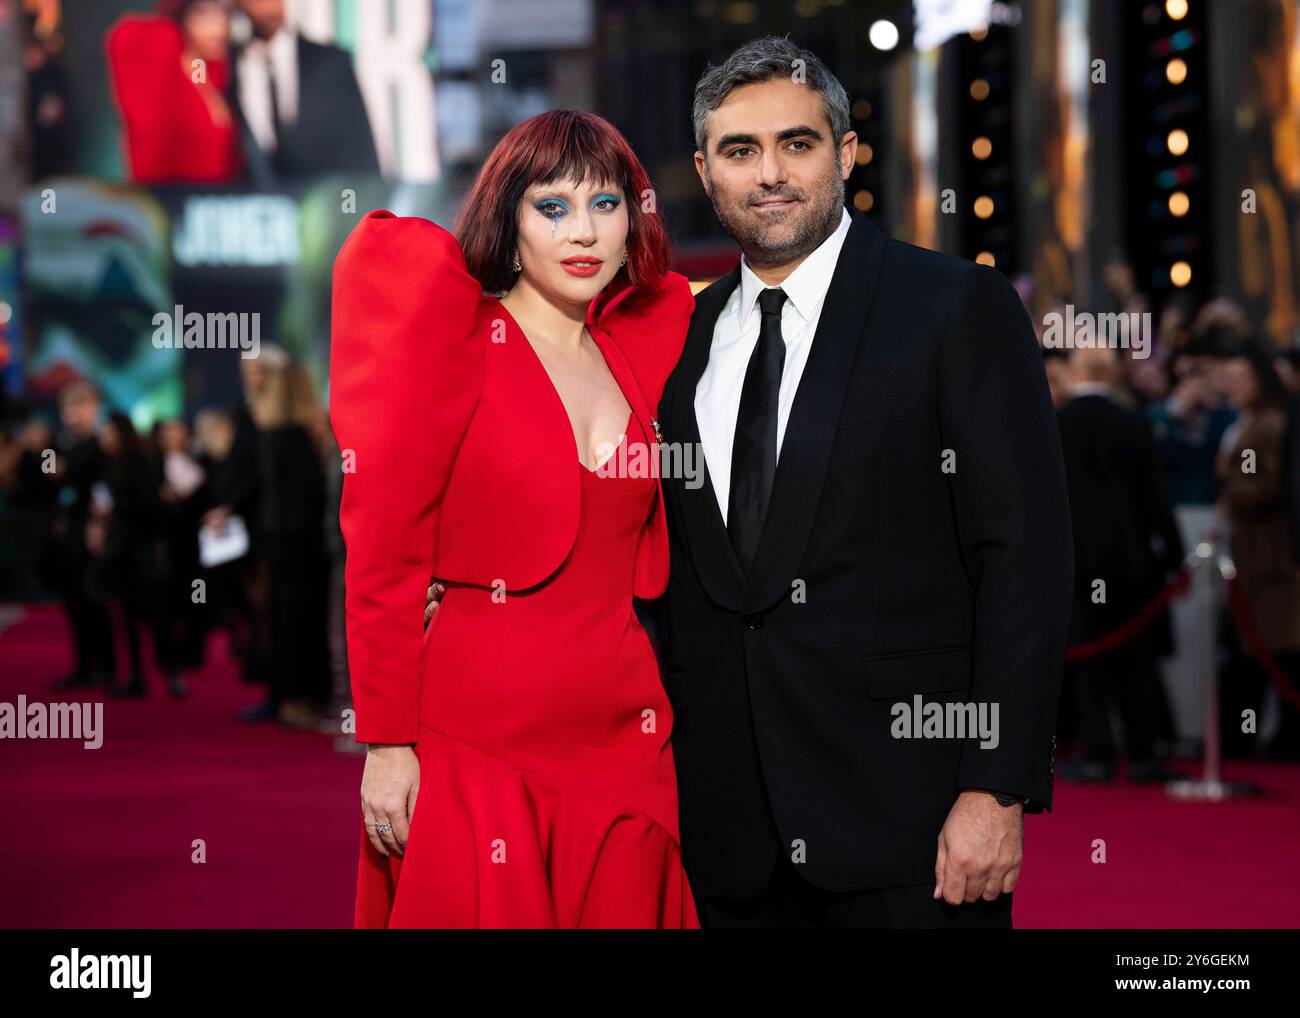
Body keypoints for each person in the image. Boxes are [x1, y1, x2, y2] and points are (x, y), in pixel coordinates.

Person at [657, 37, 1071, 928]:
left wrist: (996, 789)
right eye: (740, 150)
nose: (769, 173)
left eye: (797, 144)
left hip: (912, 827)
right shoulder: (677, 342)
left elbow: (1023, 563)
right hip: (725, 828)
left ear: (845, 154)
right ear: (704, 169)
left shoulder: (954, 307)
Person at [331, 110, 698, 927]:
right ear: (510, 216)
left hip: (625, 730)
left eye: (606, 205)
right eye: (553, 206)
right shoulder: (454, 340)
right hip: (477, 733)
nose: (585, 233)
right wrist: (386, 743)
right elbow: (383, 550)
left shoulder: (643, 343)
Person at [1057, 347, 1185, 782]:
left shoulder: (1054, 424)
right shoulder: (1133, 422)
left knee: (1089, 664)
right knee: (1137, 660)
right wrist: (1174, 556)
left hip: (1074, 565)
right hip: (1132, 565)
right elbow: (1157, 499)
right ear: (1112, 374)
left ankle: (1098, 754)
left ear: (1075, 373)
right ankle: (1145, 753)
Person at [1216, 344, 1300, 758]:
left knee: (1270, 649)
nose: (1231, 385)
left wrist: (1232, 491)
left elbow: (1264, 482)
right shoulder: (1252, 421)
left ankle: (1262, 738)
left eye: (1240, 377)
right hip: (1254, 553)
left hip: (1267, 554)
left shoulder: (1267, 425)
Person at [228, 0, 380, 185]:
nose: (268, 6)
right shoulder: (229, 64)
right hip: (253, 197)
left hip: (323, 196)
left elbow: (360, 140)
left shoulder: (331, 61)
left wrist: (366, 198)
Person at [105, 0, 243, 185]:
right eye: (204, 14)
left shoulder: (207, 74)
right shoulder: (163, 67)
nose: (218, 28)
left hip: (220, 202)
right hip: (170, 200)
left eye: (225, 14)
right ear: (183, 17)